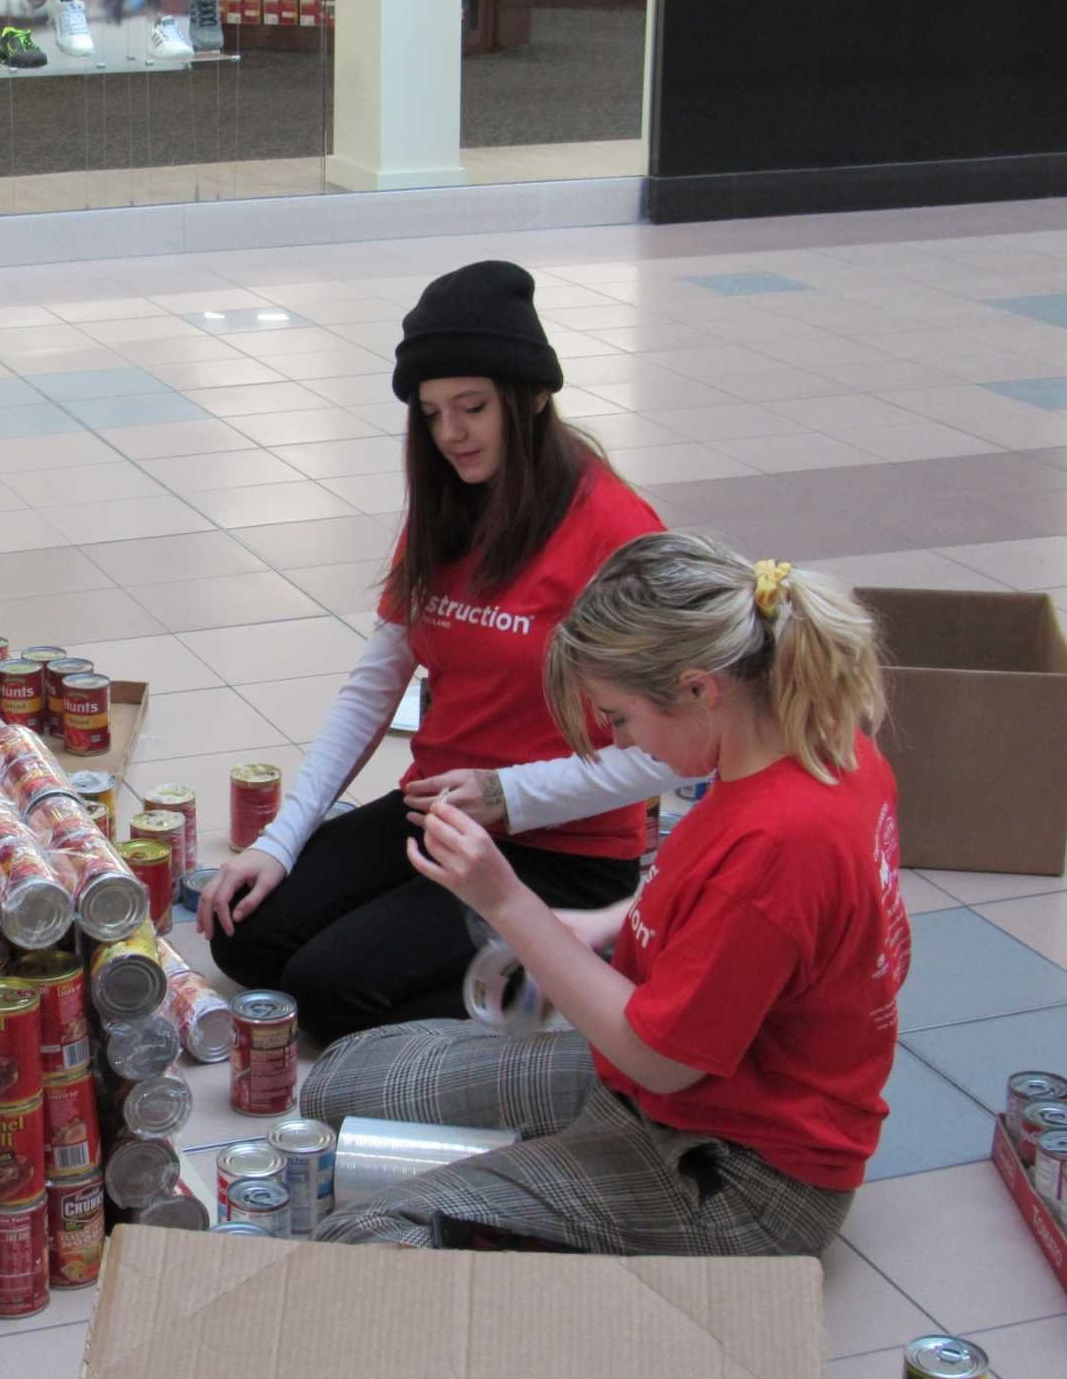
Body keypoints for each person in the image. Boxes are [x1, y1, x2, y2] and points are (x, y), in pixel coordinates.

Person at [301, 537, 909, 1255]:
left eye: (619, 719)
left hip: (739, 1172)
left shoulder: (779, 840)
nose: (625, 744)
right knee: (337, 1081)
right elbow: (757, 931)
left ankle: (550, 1197)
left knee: (366, 1236)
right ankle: (542, 1173)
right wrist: (600, 924)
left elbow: (659, 1056)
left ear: (698, 688)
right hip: (679, 1087)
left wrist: (507, 901)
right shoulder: (820, 745)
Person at [201, 260, 680, 1043]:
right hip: (440, 817)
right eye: (431, 413)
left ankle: (569, 971)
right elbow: (373, 685)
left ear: (530, 399)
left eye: (473, 407)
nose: (451, 433)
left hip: (562, 848)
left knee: (325, 995)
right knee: (242, 930)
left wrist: (511, 795)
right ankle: (527, 961)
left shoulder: (617, 532)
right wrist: (278, 841)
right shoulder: (450, 508)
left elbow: (669, 755)